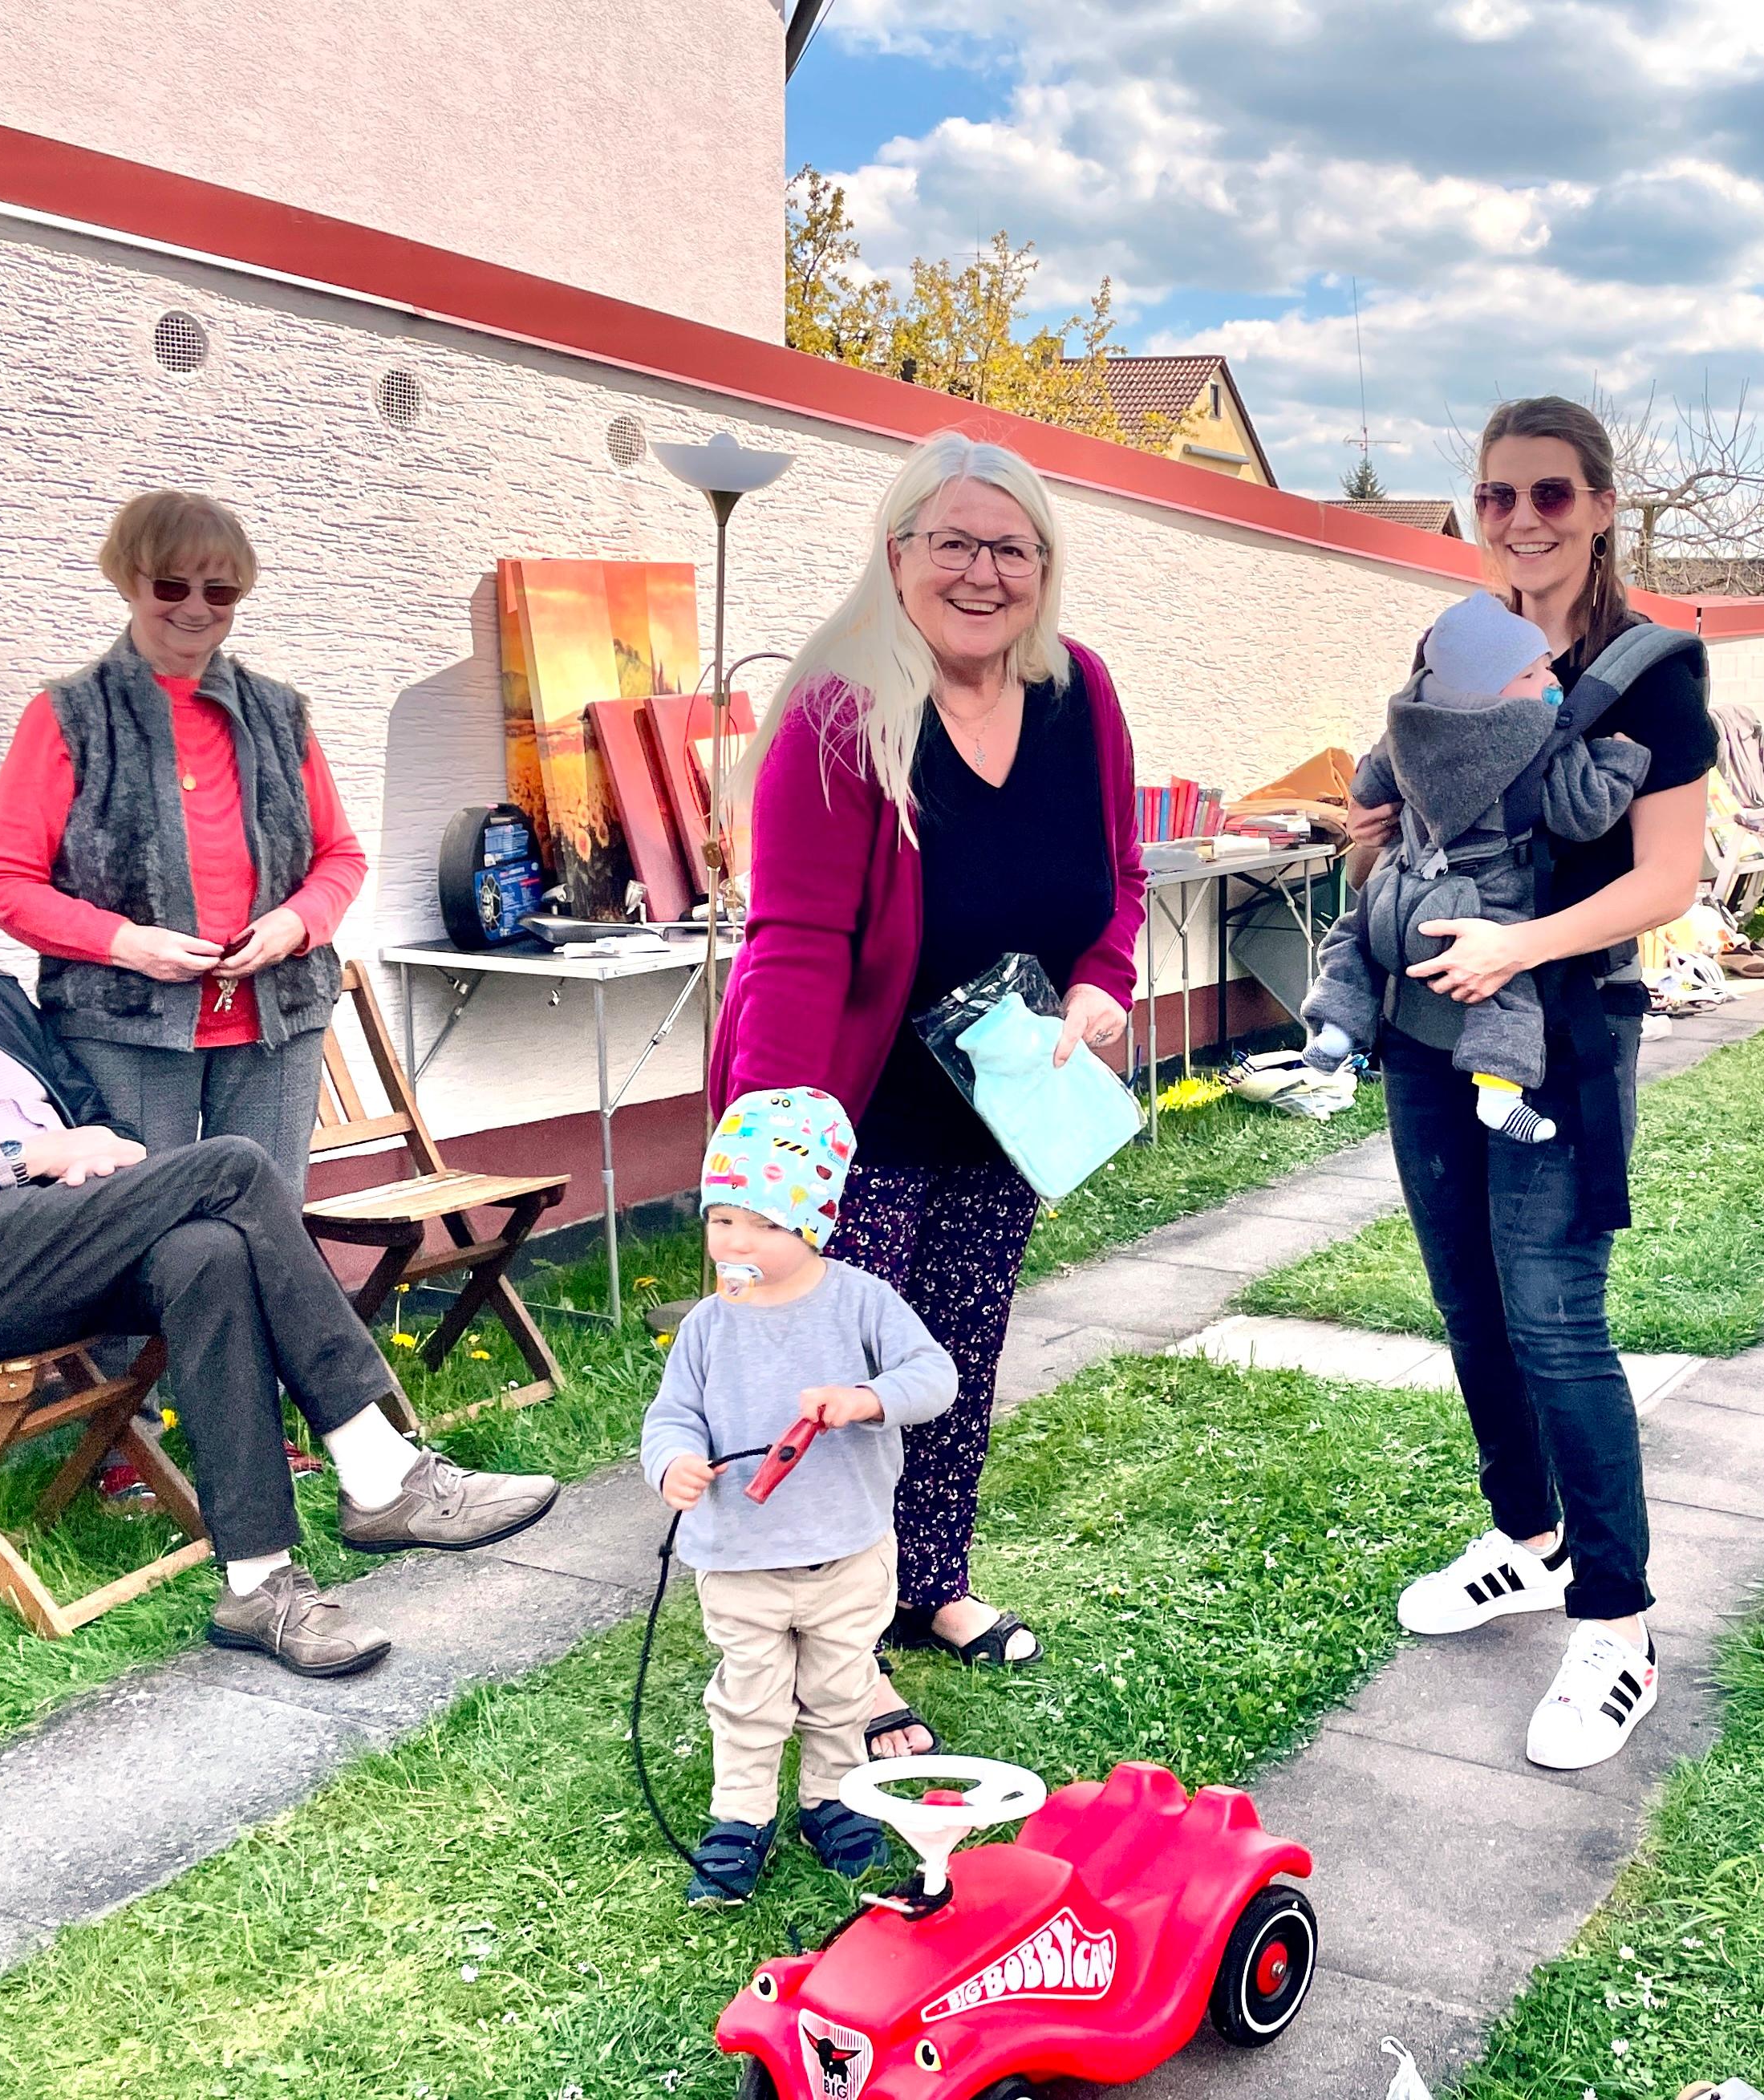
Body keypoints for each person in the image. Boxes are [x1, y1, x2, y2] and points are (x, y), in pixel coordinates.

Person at [0, 781, 559, 1675]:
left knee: (206, 1249)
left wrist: (97, 1154)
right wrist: (18, 1156)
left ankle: (259, 1584)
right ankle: (377, 1465)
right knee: (232, 1164)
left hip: (49, 1237)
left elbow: (93, 1115)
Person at [705, 431, 1146, 1757]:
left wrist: (1099, 982)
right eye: (951, 540)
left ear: (1044, 568)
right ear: (895, 553)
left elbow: (1115, 883)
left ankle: (927, 1587)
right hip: (854, 1121)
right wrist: (777, 1154)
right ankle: (834, 1651)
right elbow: (791, 943)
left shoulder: (1080, 696)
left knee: (947, 1363)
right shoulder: (841, 712)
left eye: (1010, 546)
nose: (980, 569)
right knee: (834, 1383)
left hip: (1001, 1108)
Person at [1341, 395, 1717, 1772]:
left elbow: (1664, 878)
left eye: (1549, 496)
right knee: (1466, 1306)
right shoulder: (1453, 652)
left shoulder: (1649, 670)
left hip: (1560, 1034)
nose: (1520, 523)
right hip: (1427, 1030)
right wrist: (1367, 847)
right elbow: (1398, 855)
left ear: (1600, 507)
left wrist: (1518, 942)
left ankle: (1616, 1623)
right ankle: (1526, 1533)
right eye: (1496, 497)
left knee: (1556, 1320)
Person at [0, 490, 365, 1195]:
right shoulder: (70, 715)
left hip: (280, 1019)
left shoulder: (279, 713)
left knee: (268, 1220)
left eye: (220, 589)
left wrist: (295, 923)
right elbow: (2, 881)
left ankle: (256, 1316)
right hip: (123, 1028)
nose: (196, 607)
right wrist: (126, 943)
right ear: (129, 581)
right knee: (138, 1225)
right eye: (172, 585)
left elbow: (341, 856)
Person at [642, 1086, 958, 1906]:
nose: (735, 1238)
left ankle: (831, 1799)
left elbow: (934, 1376)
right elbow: (671, 1414)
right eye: (721, 1218)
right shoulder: (709, 1325)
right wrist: (672, 1460)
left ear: (812, 1222)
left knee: (840, 1687)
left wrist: (866, 1398)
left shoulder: (861, 1301)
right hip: (740, 1562)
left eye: (763, 1222)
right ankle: (739, 1818)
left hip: (845, 1551)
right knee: (748, 1694)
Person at [1302, 592, 1648, 1144]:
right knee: (1505, 990)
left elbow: (1369, 794)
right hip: (1472, 914)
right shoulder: (1541, 740)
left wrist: (1367, 817)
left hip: (1397, 899)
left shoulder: (1406, 729)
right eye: (1535, 672)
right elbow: (1586, 813)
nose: (1550, 680)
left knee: (1355, 942)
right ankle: (1499, 1091)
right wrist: (1620, 759)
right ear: (1497, 686)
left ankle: (1337, 1032)